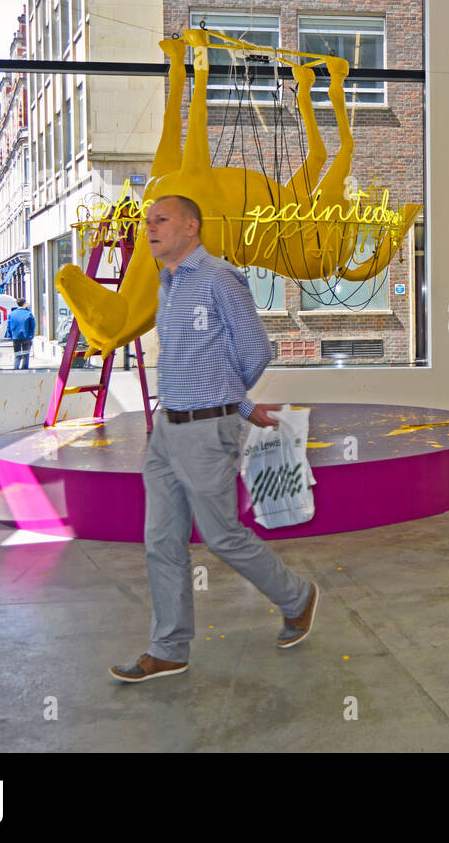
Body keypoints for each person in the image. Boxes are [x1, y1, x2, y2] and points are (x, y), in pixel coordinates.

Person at [110, 194, 318, 684]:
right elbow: (202, 360)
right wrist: (243, 405)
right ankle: (169, 649)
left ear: (191, 226)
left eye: (161, 219)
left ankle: (297, 597)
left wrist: (228, 408)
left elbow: (254, 350)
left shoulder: (218, 279)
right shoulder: (169, 283)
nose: (150, 228)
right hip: (167, 429)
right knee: (161, 540)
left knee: (222, 536)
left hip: (206, 433)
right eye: (147, 221)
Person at [6, 298, 35, 370]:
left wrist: (10, 335)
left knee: (17, 354)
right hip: (26, 336)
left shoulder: (12, 314)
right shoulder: (28, 313)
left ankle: (16, 367)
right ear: (24, 304)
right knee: (26, 353)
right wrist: (31, 335)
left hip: (15, 336)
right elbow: (32, 325)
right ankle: (24, 367)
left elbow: (8, 326)